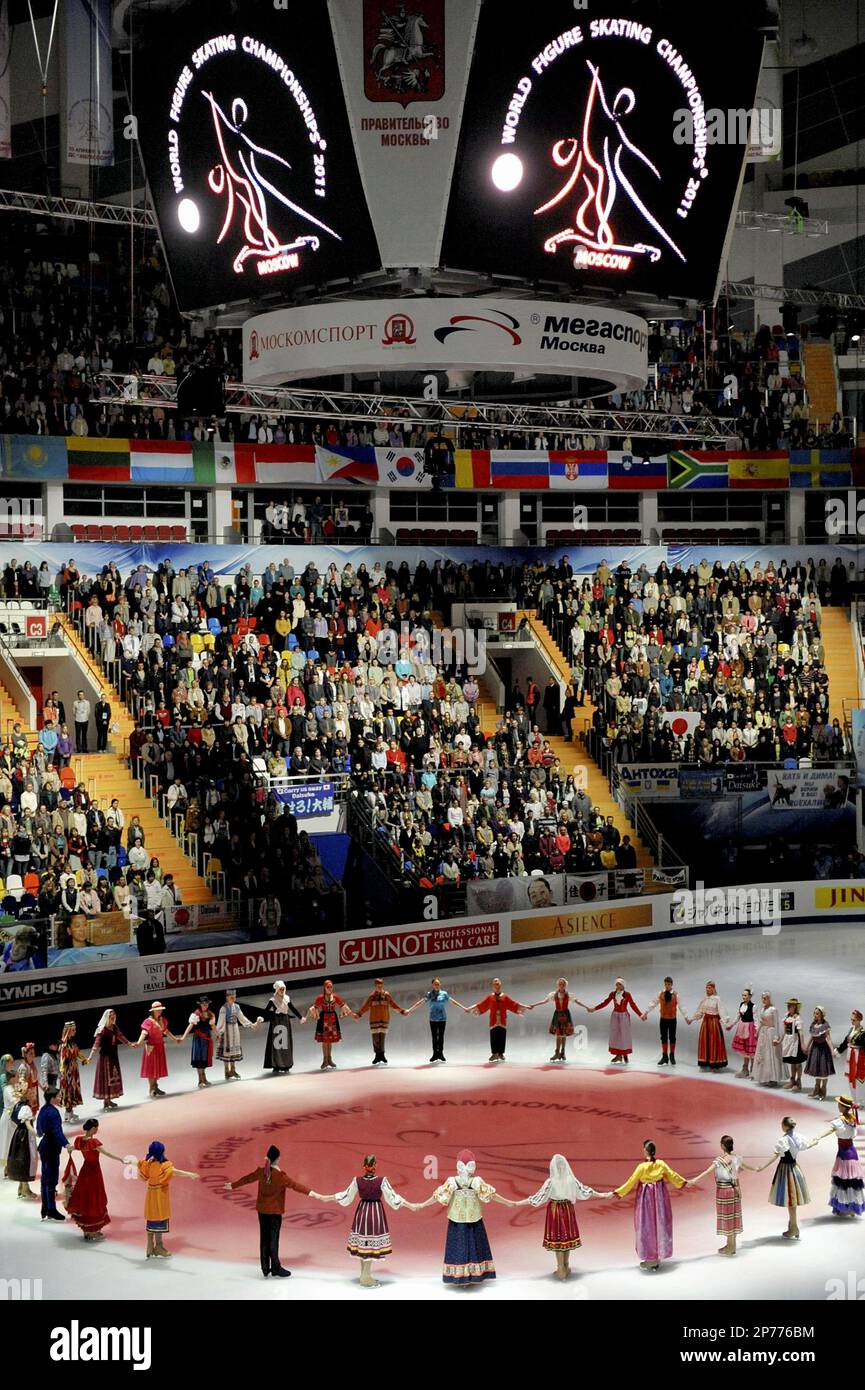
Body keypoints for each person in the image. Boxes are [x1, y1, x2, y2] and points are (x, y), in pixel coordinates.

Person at [311, 1154, 418, 1288]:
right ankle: (365, 1277)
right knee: (369, 1246)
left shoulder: (357, 1181)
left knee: (363, 1244)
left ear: (364, 1166)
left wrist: (328, 1197)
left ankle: (364, 1273)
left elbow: (346, 1196)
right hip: (375, 1213)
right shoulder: (381, 1181)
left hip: (362, 1212)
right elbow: (393, 1198)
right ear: (375, 1166)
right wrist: (410, 1205)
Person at [415, 1149, 517, 1286]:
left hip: (458, 1221)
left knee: (459, 1246)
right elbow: (491, 1195)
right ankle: (472, 1276)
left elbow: (438, 1196)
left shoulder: (453, 1181)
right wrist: (508, 1202)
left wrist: (422, 1205)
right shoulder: (476, 1181)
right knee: (474, 1244)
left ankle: (461, 1277)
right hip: (473, 1220)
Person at [515, 1154, 612, 1279]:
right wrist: (603, 1195)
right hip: (567, 1210)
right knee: (566, 1239)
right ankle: (565, 1266)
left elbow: (538, 1197)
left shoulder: (551, 1182)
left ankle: (560, 1269)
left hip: (555, 1210)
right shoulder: (571, 1180)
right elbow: (586, 1191)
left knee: (558, 1240)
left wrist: (517, 1203)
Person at [225, 1144, 311, 1278]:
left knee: (264, 1238)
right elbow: (296, 1186)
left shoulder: (261, 1172)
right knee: (273, 1239)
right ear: (278, 1158)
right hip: (274, 1212)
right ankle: (276, 1268)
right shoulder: (280, 1176)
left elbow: (247, 1179)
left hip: (262, 1211)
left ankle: (265, 1267)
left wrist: (232, 1185)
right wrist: (313, 1194)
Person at [613, 1139, 688, 1271]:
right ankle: (657, 1254)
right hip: (659, 1198)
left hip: (646, 1198)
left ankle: (652, 1258)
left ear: (645, 1151)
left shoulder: (642, 1167)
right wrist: (683, 1182)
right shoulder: (661, 1164)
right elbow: (672, 1175)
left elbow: (631, 1181)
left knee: (647, 1225)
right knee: (659, 1223)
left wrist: (618, 1192)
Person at [688, 1134, 760, 1257]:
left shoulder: (719, 1161)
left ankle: (731, 1247)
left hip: (724, 1191)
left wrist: (694, 1180)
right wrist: (756, 1168)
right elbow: (747, 1167)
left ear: (722, 1146)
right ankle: (731, 1244)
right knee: (733, 1217)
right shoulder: (737, 1158)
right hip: (735, 1190)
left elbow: (707, 1172)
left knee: (727, 1218)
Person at [64, 1118, 125, 1240]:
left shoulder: (80, 1140)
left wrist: (69, 1148)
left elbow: (74, 1148)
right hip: (94, 1172)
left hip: (85, 1170)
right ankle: (93, 1231)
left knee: (85, 1197)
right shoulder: (93, 1142)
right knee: (94, 1197)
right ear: (92, 1129)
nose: (97, 1129)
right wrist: (120, 1159)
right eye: (96, 1127)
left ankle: (87, 1231)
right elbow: (106, 1153)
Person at [138, 1140, 200, 1258]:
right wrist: (190, 1174)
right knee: (160, 1218)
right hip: (160, 1196)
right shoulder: (164, 1166)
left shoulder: (148, 1164)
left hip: (151, 1195)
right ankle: (159, 1246)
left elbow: (141, 1174)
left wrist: (134, 1163)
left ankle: (150, 1245)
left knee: (151, 1218)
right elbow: (175, 1172)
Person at [807, 1095, 864, 1217]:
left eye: (839, 1104)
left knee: (843, 1181)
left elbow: (830, 1130)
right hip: (852, 1153)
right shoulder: (852, 1118)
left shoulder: (840, 1121)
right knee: (851, 1181)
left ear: (844, 1107)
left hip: (844, 1155)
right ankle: (851, 1207)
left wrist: (818, 1136)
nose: (838, 1106)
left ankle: (846, 1208)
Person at [759, 1116, 810, 1239]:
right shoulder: (798, 1137)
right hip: (794, 1168)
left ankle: (794, 1227)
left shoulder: (784, 1140)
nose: (781, 1126)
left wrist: (763, 1166)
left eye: (782, 1125)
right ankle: (792, 1225)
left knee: (791, 1199)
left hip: (786, 1170)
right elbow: (806, 1145)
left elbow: (775, 1155)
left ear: (786, 1126)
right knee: (792, 1199)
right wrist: (815, 1141)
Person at [406, 977, 469, 1063]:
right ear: (432, 985)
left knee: (441, 1037)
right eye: (435, 984)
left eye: (438, 984)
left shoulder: (444, 994)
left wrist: (463, 1007)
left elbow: (452, 1001)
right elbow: (420, 1002)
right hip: (433, 1019)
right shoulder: (429, 994)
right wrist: (410, 1009)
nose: (437, 985)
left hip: (442, 1018)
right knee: (434, 1037)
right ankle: (435, 1054)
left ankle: (441, 1054)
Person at [527, 978, 588, 1063]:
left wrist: (586, 1007)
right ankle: (557, 1053)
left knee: (564, 1034)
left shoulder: (569, 995)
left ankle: (562, 1052)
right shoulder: (553, 994)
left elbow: (577, 1002)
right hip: (558, 1015)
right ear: (558, 985)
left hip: (566, 1015)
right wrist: (534, 1005)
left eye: (563, 984)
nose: (561, 986)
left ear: (565, 985)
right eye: (560, 984)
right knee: (558, 1034)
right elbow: (544, 1001)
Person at [468, 978, 528, 1062]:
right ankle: (494, 1054)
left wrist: (525, 1006)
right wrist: (470, 1008)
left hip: (502, 1020)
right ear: (493, 986)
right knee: (494, 1036)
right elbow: (481, 1005)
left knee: (502, 1036)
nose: (496, 983)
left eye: (498, 982)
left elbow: (513, 1004)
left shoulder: (505, 997)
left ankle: (500, 1053)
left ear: (500, 985)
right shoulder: (490, 997)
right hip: (493, 1020)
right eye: (495, 982)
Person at [36, 1087, 73, 1220]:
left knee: (45, 1178)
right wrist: (66, 1144)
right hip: (51, 1147)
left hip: (44, 1146)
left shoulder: (43, 1110)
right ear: (52, 1098)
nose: (60, 1098)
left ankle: (45, 1207)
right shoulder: (53, 1112)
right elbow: (57, 1131)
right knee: (51, 1179)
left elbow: (39, 1131)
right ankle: (51, 1208)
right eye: (58, 1096)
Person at [588, 977, 645, 1064]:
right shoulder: (613, 994)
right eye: (617, 984)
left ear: (623, 985)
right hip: (615, 1016)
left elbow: (633, 1005)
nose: (617, 986)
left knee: (624, 1035)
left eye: (619, 984)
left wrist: (640, 1014)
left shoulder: (627, 995)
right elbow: (605, 1003)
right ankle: (618, 1055)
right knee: (616, 1035)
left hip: (624, 1017)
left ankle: (625, 1054)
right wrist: (594, 1008)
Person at [87, 1009, 134, 1111]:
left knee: (112, 1077)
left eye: (114, 1017)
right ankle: (105, 1102)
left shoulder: (114, 1027)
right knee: (106, 1079)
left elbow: (120, 1037)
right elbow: (96, 1044)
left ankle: (109, 1100)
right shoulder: (102, 1030)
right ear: (107, 1018)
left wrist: (129, 1044)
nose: (113, 1019)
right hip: (105, 1058)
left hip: (113, 1056)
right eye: (111, 1017)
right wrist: (90, 1056)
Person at [355, 978, 409, 1066]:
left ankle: (382, 1055)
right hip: (374, 1019)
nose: (379, 987)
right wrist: (359, 1014)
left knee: (382, 1037)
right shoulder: (372, 996)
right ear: (375, 986)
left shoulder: (386, 995)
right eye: (377, 986)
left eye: (381, 985)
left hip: (384, 1018)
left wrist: (402, 1011)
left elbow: (393, 1004)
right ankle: (377, 1055)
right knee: (375, 1038)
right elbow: (366, 1006)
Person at [306, 980, 355, 1071]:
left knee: (330, 1040)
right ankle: (325, 1059)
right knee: (325, 1041)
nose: (330, 989)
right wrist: (306, 1017)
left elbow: (344, 1006)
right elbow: (313, 1008)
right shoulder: (320, 998)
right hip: (323, 1019)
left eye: (331, 987)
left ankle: (329, 1059)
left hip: (332, 1019)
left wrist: (352, 1015)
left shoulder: (335, 997)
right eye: (328, 987)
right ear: (324, 988)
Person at [216, 989, 264, 1081]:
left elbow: (242, 1018)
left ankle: (233, 1070)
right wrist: (219, 1032)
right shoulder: (224, 1008)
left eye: (234, 997)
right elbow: (220, 1021)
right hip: (227, 1031)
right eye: (231, 997)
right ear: (227, 998)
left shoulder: (237, 1007)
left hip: (235, 1029)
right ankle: (227, 1071)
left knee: (234, 1049)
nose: (233, 998)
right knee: (227, 1049)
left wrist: (251, 1025)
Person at [135, 1001, 178, 1099]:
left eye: (160, 1010)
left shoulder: (163, 1020)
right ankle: (152, 1088)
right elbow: (144, 1032)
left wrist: (175, 1039)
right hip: (151, 1047)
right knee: (151, 1068)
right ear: (153, 1011)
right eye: (158, 1010)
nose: (160, 1012)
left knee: (157, 1067)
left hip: (160, 1046)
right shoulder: (148, 1021)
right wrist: (138, 1042)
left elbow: (165, 1031)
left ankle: (156, 1087)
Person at [685, 981, 731, 1072]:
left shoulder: (717, 999)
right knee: (705, 1041)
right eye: (706, 988)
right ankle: (706, 1061)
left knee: (714, 1041)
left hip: (714, 1023)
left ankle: (715, 1063)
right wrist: (692, 1019)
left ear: (713, 989)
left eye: (709, 988)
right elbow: (700, 1011)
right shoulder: (705, 999)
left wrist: (726, 1024)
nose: (707, 989)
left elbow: (722, 1011)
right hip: (706, 1023)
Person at [644, 975, 689, 1067]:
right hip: (663, 1019)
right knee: (663, 1037)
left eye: (668, 984)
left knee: (672, 1037)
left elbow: (681, 1006)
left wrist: (686, 1017)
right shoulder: (660, 994)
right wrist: (646, 1012)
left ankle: (672, 1055)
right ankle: (665, 1056)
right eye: (665, 984)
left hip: (672, 1019)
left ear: (671, 984)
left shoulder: (675, 995)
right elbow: (653, 1003)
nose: (667, 986)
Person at [262, 981, 303, 1074]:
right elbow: (266, 1011)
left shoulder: (287, 998)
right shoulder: (273, 1000)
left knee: (285, 1043)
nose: (282, 991)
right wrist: (262, 1017)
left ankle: (286, 1064)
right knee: (276, 1044)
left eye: (283, 989)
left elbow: (293, 1008)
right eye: (280, 989)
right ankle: (276, 1065)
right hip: (276, 1022)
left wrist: (301, 1017)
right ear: (277, 989)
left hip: (285, 1021)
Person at [5, 1094, 38, 1201]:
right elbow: (28, 1124)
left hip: (18, 1135)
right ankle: (25, 1189)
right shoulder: (26, 1108)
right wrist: (37, 1133)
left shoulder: (17, 1106)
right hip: (25, 1136)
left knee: (21, 1160)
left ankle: (21, 1187)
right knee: (26, 1160)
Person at [179, 997, 218, 1088]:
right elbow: (190, 1026)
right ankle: (200, 1080)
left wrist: (218, 1034)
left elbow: (213, 1026)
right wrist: (183, 1037)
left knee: (204, 1058)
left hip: (207, 1038)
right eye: (204, 1003)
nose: (205, 1005)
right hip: (199, 1039)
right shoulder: (196, 1014)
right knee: (199, 1058)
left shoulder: (210, 1014)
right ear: (200, 1004)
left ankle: (204, 1077)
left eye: (207, 1003)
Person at [58, 1020, 88, 1123]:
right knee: (68, 1091)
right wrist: (62, 1070)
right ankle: (68, 1114)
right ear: (68, 1031)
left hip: (73, 1069)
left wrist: (84, 1059)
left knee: (73, 1090)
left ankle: (70, 1112)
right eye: (73, 1030)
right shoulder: (64, 1045)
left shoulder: (72, 1043)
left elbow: (77, 1052)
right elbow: (62, 1058)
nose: (75, 1031)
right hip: (67, 1071)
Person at [751, 991, 783, 1087]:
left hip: (771, 1033)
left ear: (769, 998)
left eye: (765, 998)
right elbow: (761, 1022)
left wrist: (776, 1037)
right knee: (763, 1055)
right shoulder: (762, 1009)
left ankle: (773, 1078)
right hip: (763, 1033)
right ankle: (763, 1076)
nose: (764, 1000)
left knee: (771, 1056)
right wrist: (757, 1032)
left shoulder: (773, 1009)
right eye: (762, 998)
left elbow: (777, 1023)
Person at [804, 1006, 835, 1101]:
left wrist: (832, 1050)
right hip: (815, 1049)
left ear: (821, 1014)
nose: (815, 1015)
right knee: (816, 1068)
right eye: (815, 1013)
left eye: (817, 1013)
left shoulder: (825, 1025)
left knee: (823, 1068)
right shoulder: (813, 1024)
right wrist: (807, 1046)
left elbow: (828, 1038)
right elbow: (812, 1037)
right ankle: (816, 1089)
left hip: (823, 1049)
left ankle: (823, 1089)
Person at [835, 1009, 865, 1096]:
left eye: (854, 1020)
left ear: (859, 1020)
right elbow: (845, 1042)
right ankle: (854, 1097)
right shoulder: (851, 1030)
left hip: (859, 1056)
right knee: (850, 1077)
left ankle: (861, 1100)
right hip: (850, 1055)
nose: (852, 1022)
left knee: (859, 1078)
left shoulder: (863, 1033)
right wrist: (838, 1050)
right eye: (851, 1020)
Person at [781, 997, 807, 1092]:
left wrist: (802, 1045)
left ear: (795, 1007)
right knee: (792, 1061)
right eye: (788, 1005)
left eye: (791, 1005)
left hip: (796, 1041)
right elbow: (784, 1031)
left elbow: (801, 1032)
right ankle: (792, 1080)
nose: (788, 1007)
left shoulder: (798, 1018)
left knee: (797, 1063)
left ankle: (798, 1081)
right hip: (788, 1041)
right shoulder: (787, 1016)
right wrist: (780, 1040)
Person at [731, 987, 758, 1078]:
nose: (744, 997)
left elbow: (756, 1019)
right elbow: (738, 1016)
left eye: (745, 995)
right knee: (745, 1050)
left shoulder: (753, 1006)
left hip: (750, 1028)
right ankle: (745, 1069)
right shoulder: (741, 1004)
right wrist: (731, 1024)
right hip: (742, 1028)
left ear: (750, 996)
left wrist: (756, 1031)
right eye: (743, 995)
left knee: (751, 1050)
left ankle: (753, 1070)